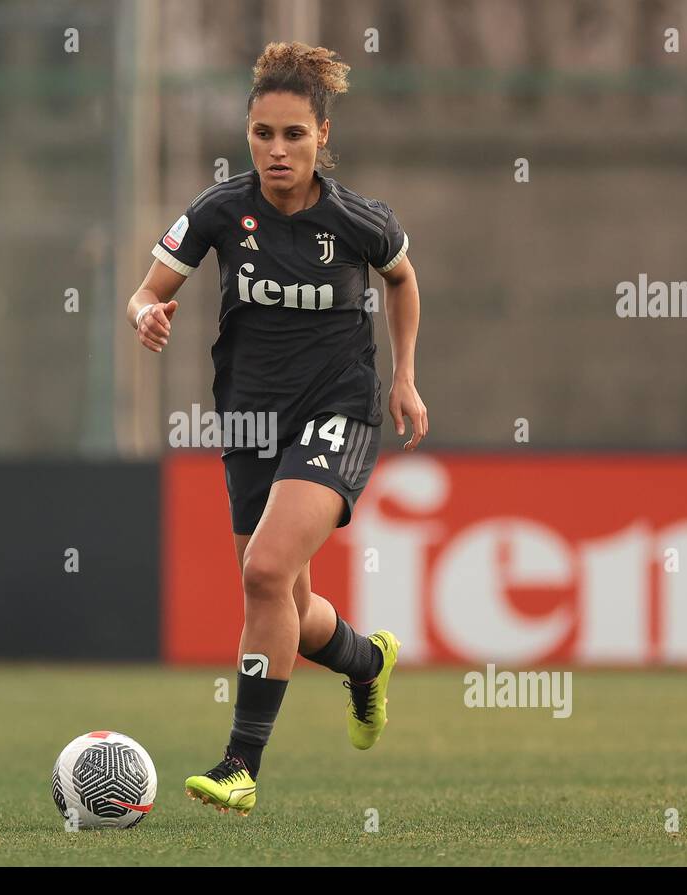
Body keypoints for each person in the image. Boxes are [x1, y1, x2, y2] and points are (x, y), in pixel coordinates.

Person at [125, 41, 426, 816]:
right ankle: (365, 660)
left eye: (294, 133)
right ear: (247, 134)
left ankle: (238, 765)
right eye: (264, 133)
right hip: (251, 420)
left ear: (323, 135)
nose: (277, 149)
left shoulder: (358, 219)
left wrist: (404, 378)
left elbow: (401, 279)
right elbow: (147, 289)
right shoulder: (220, 210)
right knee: (287, 596)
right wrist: (148, 313)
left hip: (340, 410)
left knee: (262, 572)